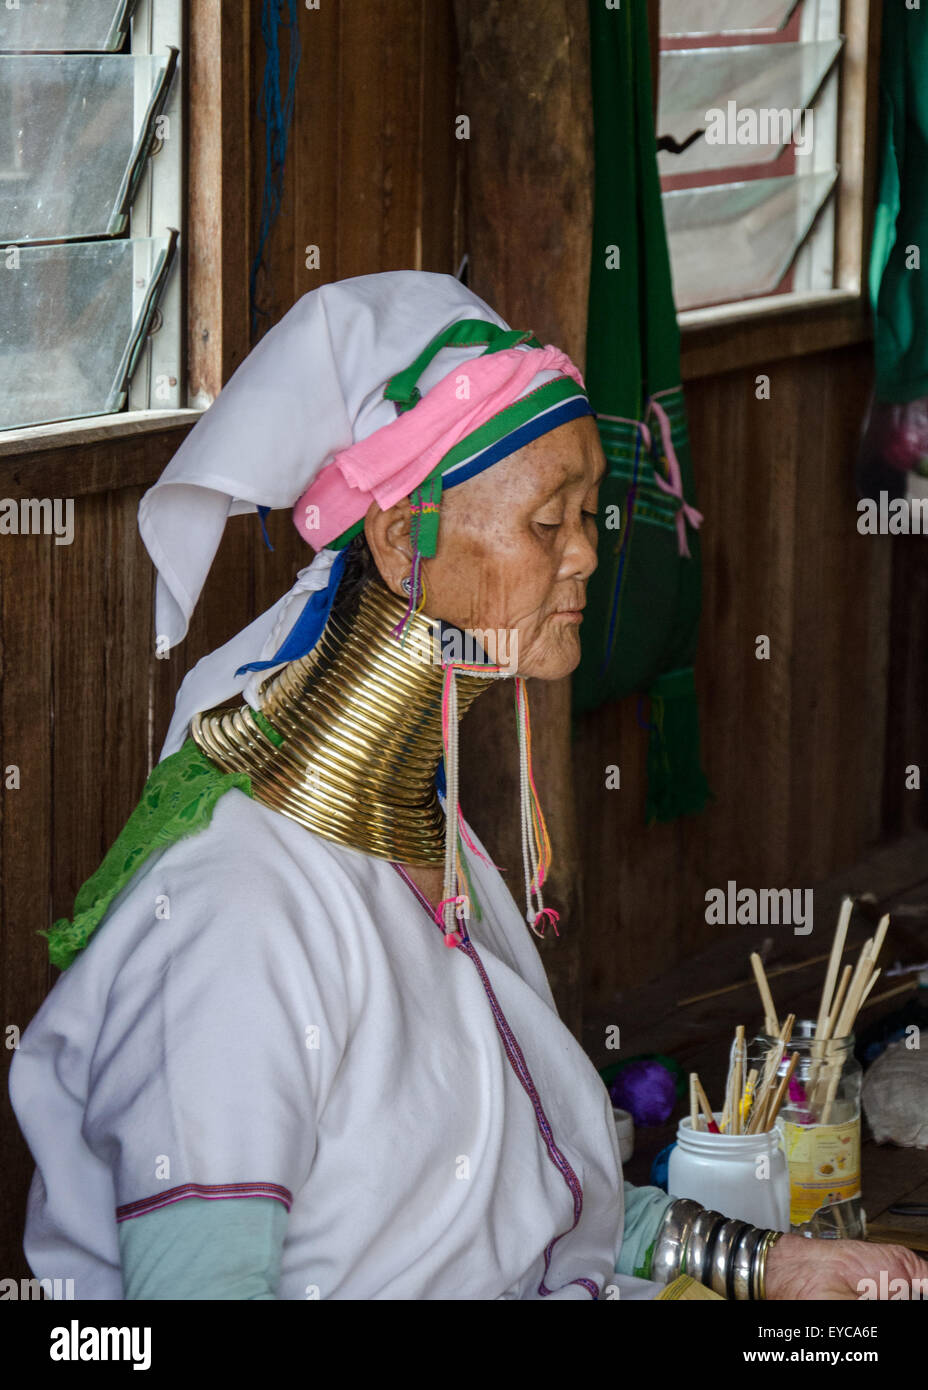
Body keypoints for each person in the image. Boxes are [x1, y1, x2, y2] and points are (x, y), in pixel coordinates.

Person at [9, 272, 927, 1301]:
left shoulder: (431, 850)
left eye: (589, 512)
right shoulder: (239, 907)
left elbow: (532, 1200)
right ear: (406, 541)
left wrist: (772, 1265)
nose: (585, 551)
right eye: (548, 520)